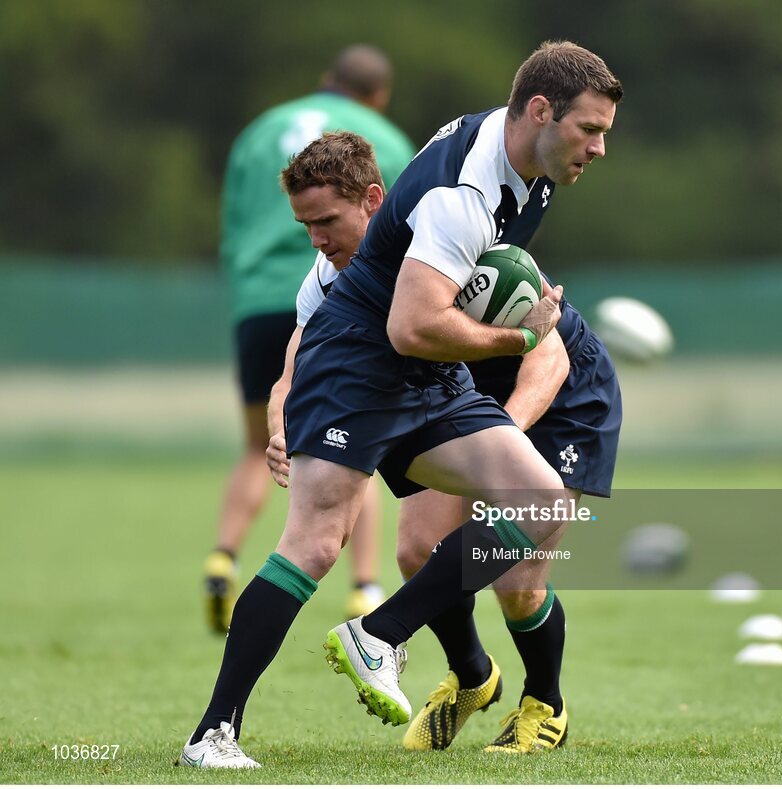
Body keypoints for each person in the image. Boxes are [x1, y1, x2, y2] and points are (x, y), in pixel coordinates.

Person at [178, 40, 622, 769]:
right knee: (317, 542)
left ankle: (378, 633)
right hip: (363, 362)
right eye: (589, 129)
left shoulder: (528, 170)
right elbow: (406, 324)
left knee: (540, 501)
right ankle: (213, 733)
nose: (599, 147)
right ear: (540, 111)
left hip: (428, 375)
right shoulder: (465, 199)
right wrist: (518, 334)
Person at [263, 139, 623, 752]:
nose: (319, 241)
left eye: (328, 223)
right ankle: (473, 675)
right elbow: (294, 369)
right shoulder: (337, 278)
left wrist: (499, 452)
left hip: (561, 399)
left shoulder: (466, 241)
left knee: (516, 573)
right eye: (309, 227)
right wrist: (281, 429)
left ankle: (545, 704)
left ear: (377, 205)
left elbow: (549, 360)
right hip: (461, 398)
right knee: (416, 548)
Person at [205, 44, 415, 633]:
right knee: (358, 444)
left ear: (326, 81)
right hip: (341, 298)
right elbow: (402, 231)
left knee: (258, 446)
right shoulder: (387, 141)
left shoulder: (258, 132)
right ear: (379, 96)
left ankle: (222, 556)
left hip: (254, 299)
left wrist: (247, 280)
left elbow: (233, 221)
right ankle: (364, 588)